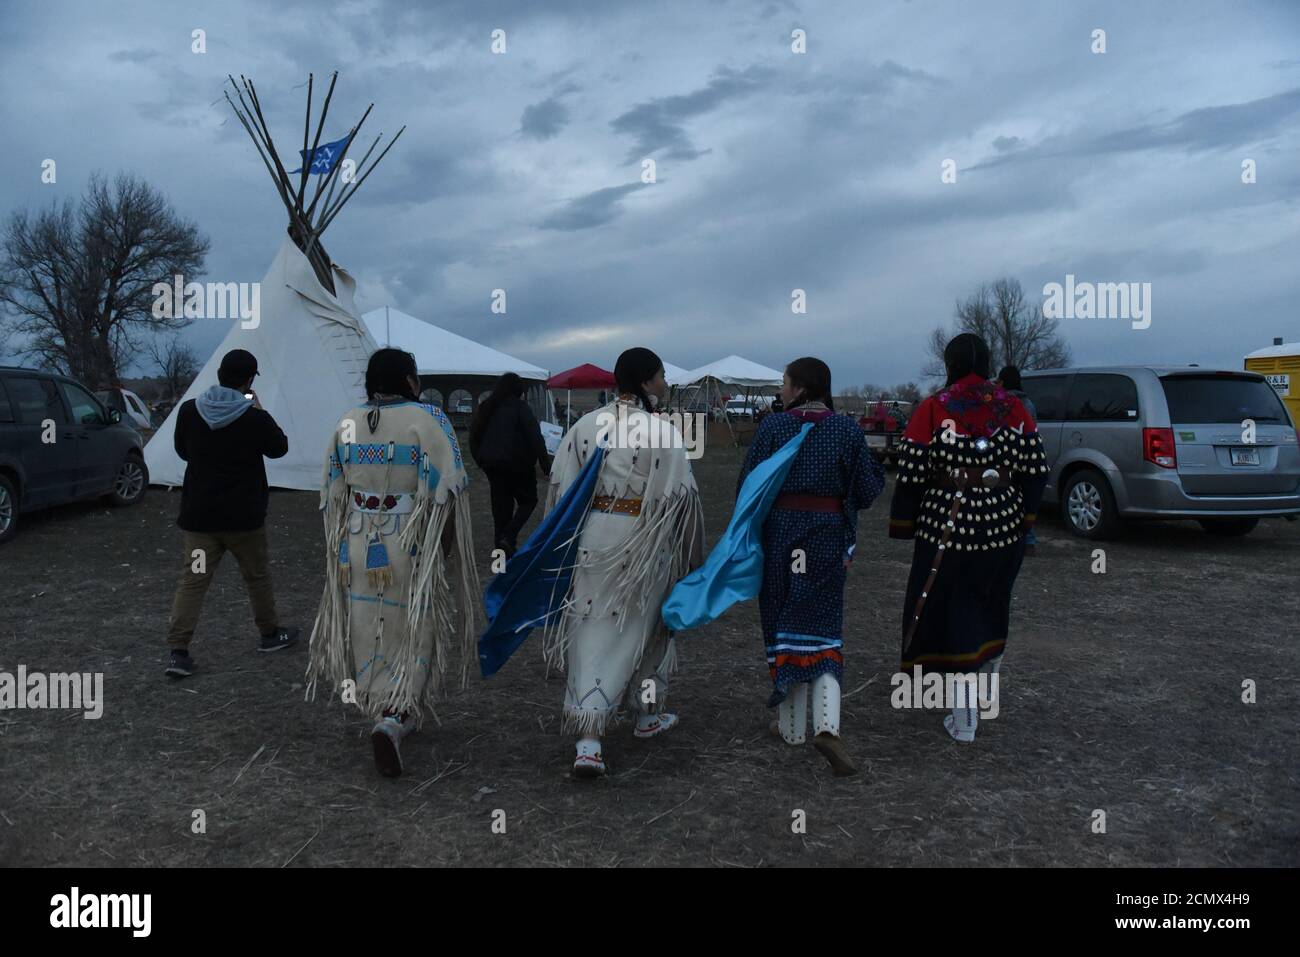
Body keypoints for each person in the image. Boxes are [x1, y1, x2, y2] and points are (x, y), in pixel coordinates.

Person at [307, 348, 479, 777]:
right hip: (408, 539)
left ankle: (383, 702)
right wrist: (447, 544)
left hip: (359, 540)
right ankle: (395, 714)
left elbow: (332, 489)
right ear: (408, 379)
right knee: (411, 624)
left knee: (367, 620)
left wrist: (342, 544)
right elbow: (447, 489)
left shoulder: (347, 420)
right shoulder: (428, 419)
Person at [542, 348, 703, 777]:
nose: (665, 384)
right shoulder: (662, 433)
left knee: (590, 624)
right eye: (662, 376)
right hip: (642, 542)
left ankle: (593, 737)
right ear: (647, 381)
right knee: (647, 626)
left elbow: (559, 495)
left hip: (591, 539)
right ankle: (632, 722)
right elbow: (682, 502)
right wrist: (692, 561)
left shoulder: (584, 426)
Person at [889, 334, 1049, 742]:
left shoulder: (933, 408)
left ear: (950, 362)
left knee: (955, 615)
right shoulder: (1013, 407)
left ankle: (964, 717)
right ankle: (979, 694)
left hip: (947, 528)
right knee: (989, 605)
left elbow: (910, 475)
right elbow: (1035, 471)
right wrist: (1024, 521)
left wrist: (904, 525)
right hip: (1002, 527)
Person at [738, 357, 885, 774]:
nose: (781, 391)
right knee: (820, 628)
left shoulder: (773, 427)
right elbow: (869, 489)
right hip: (826, 537)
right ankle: (825, 726)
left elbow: (747, 486)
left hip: (781, 534)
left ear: (801, 387)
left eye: (785, 383)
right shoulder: (846, 430)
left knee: (783, 620)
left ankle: (792, 728)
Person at [164, 349, 297, 679]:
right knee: (257, 577)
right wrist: (258, 409)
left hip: (200, 519)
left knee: (193, 582)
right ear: (249, 380)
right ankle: (269, 634)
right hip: (243, 519)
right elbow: (279, 447)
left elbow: (183, 451)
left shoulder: (189, 411)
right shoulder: (254, 418)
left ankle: (178, 652)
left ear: (220, 374)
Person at [468, 373, 549, 557]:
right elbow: (536, 438)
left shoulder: (487, 407)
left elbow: (474, 436)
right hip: (520, 466)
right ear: (518, 390)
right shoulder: (521, 408)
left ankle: (502, 559)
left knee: (501, 512)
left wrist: (480, 460)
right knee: (528, 501)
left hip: (493, 467)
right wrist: (546, 466)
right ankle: (509, 535)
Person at [996, 365, 1039, 553]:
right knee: (1026, 498)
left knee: (1004, 497)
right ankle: (1029, 538)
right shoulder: (1029, 403)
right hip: (1027, 455)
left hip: (1006, 457)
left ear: (1003, 382)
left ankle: (1005, 535)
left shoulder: (1002, 404)